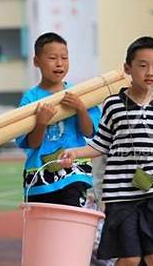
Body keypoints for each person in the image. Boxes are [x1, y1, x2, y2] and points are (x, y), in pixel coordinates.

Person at [59, 36, 153, 266]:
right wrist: (75, 153)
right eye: (143, 65)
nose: (150, 72)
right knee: (129, 259)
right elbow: (101, 143)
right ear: (128, 68)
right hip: (120, 195)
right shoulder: (113, 104)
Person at [15, 32, 101, 207]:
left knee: (73, 224)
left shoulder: (79, 93)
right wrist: (41, 122)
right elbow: (32, 143)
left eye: (64, 57)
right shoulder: (30, 99)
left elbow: (89, 132)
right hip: (40, 178)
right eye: (52, 58)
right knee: (44, 230)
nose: (59, 63)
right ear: (36, 61)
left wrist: (80, 108)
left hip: (73, 172)